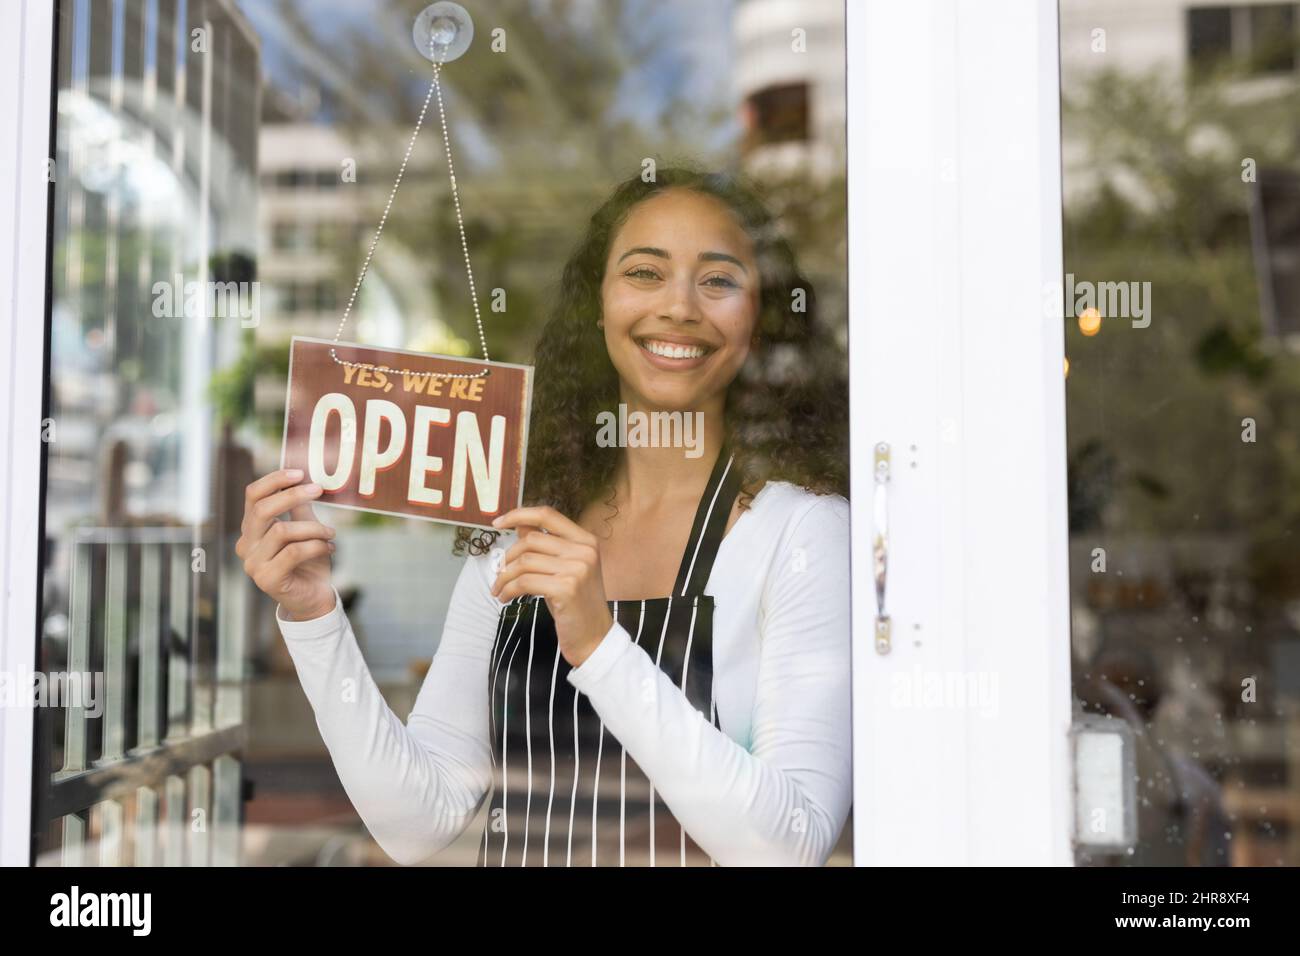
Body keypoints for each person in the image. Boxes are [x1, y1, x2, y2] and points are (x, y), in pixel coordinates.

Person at [236, 167, 852, 866]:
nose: (680, 306)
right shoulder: (520, 535)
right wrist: (314, 617)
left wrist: (598, 645)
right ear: (598, 304)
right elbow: (420, 822)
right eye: (645, 273)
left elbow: (790, 846)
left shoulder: (800, 533)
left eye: (718, 280)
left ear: (760, 316)